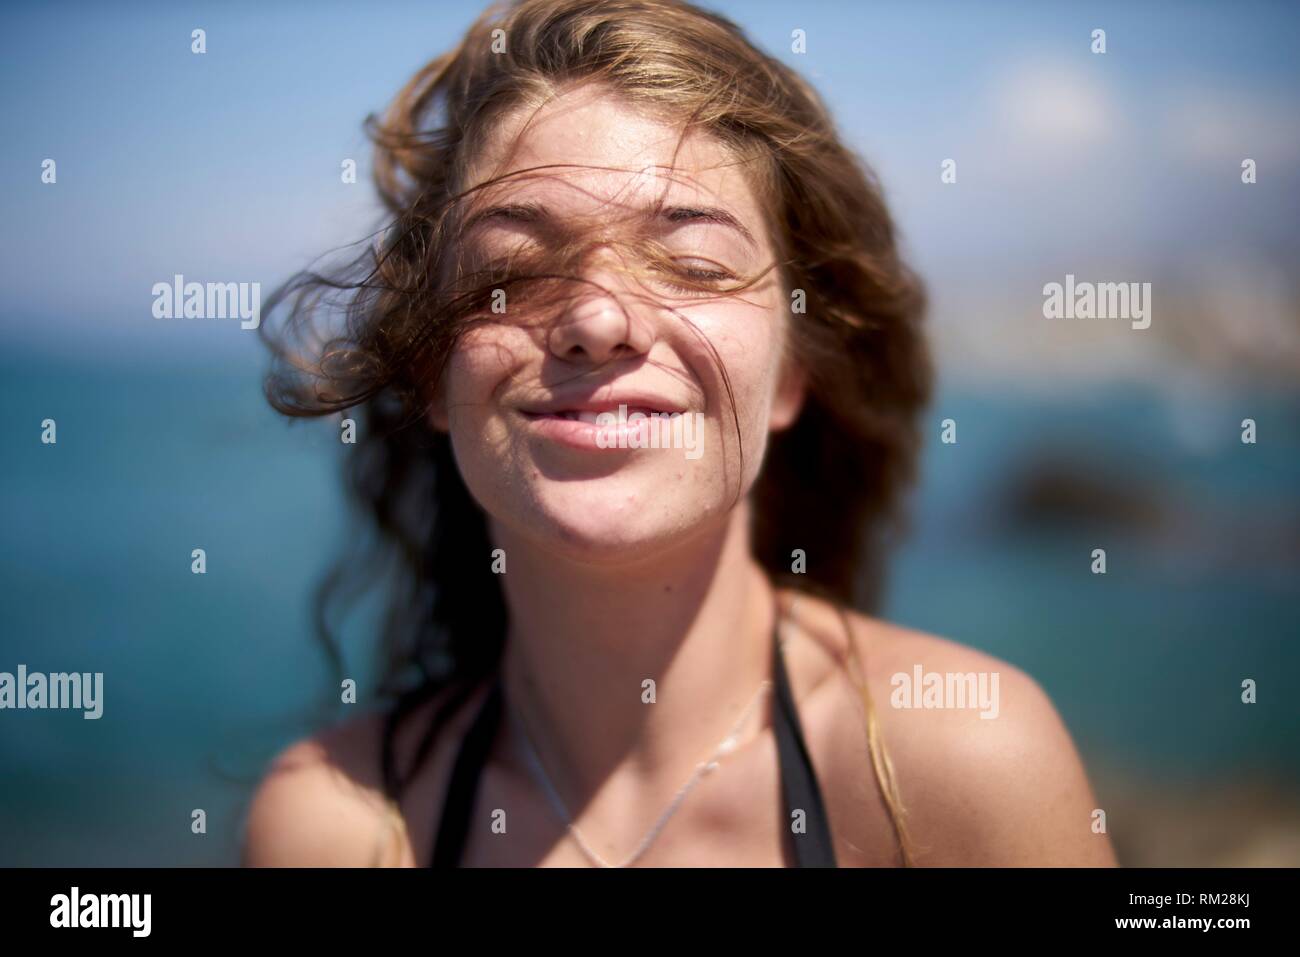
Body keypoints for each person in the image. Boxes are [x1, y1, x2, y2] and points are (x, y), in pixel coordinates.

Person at [243, 0, 1116, 867]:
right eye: (511, 273)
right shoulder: (339, 827)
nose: (595, 315)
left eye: (694, 267)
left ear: (791, 369)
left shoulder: (958, 771)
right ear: (433, 369)